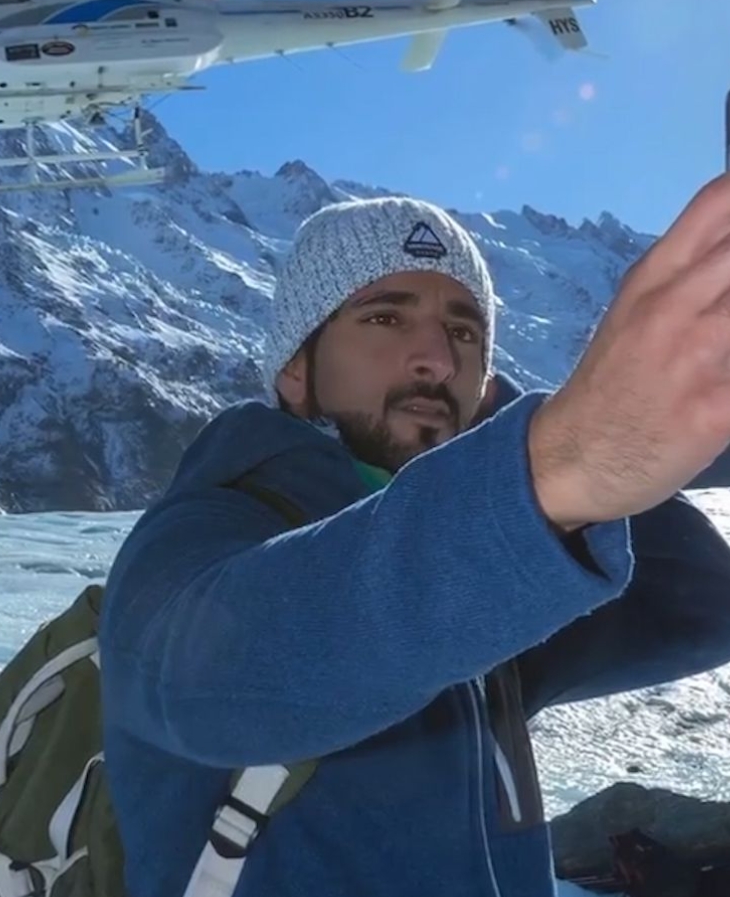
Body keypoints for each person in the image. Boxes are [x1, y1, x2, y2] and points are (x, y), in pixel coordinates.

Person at [98, 181, 730, 897]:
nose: (437, 357)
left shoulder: (482, 578)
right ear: (296, 371)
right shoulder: (205, 529)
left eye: (464, 333)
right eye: (385, 318)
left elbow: (702, 608)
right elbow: (222, 680)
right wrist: (549, 468)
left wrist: (524, 440)